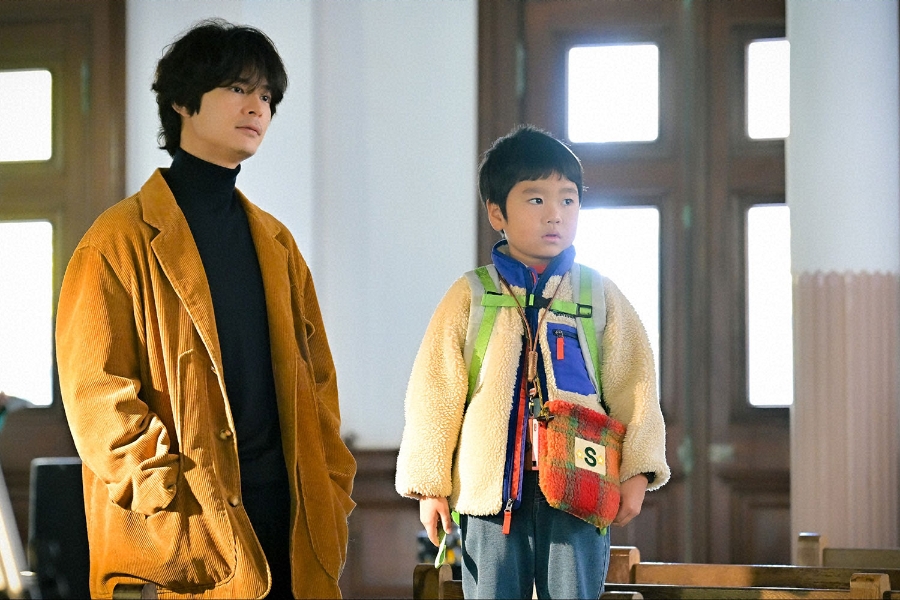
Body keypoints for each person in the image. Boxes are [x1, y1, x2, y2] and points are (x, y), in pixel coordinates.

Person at [56, 19, 355, 599]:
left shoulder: (276, 241)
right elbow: (95, 390)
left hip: (290, 521)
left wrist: (332, 484)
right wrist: (158, 486)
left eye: (266, 95)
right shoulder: (116, 240)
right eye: (238, 88)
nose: (257, 107)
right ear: (181, 101)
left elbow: (318, 382)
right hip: (183, 529)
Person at [395, 125, 669, 599]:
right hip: (488, 495)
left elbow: (636, 385)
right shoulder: (471, 295)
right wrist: (430, 485)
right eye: (536, 199)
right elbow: (434, 392)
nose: (555, 214)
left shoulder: (599, 295)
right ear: (496, 212)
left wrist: (638, 471)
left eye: (568, 200)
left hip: (581, 487)